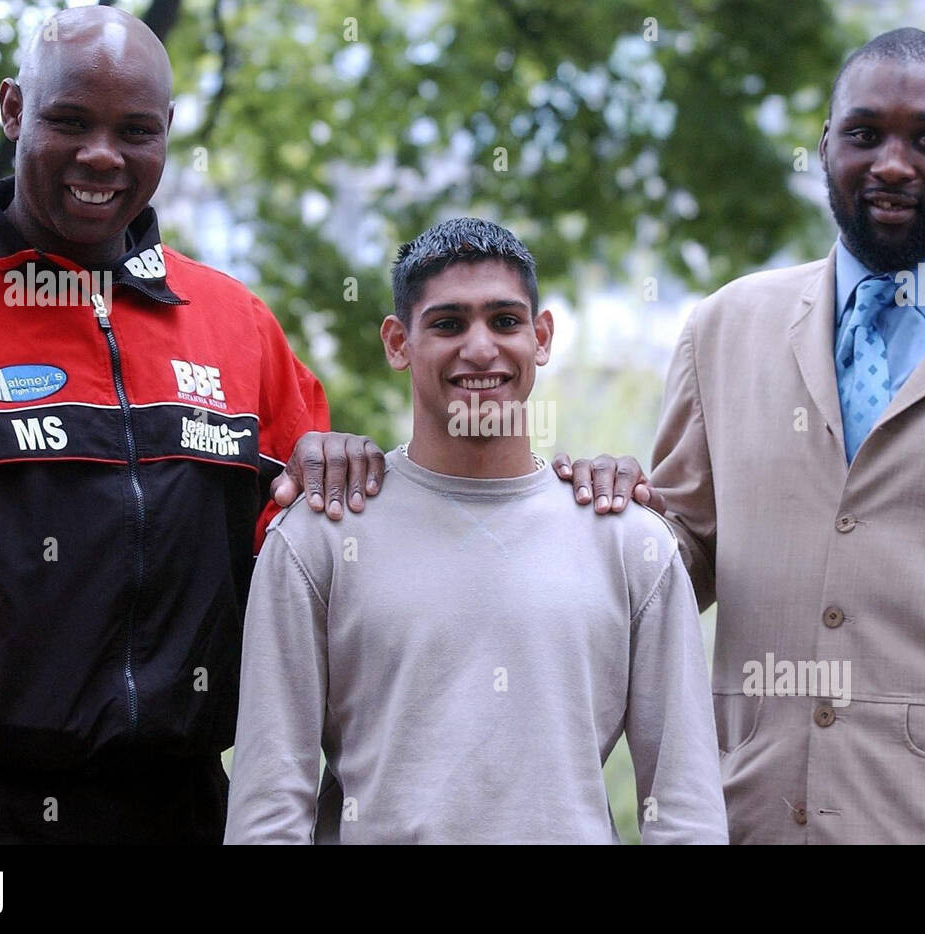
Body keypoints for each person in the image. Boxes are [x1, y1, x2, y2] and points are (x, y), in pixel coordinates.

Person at [572, 27, 925, 843]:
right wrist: (601, 512)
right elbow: (679, 562)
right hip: (754, 823)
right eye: (864, 133)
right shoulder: (725, 330)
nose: (892, 162)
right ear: (824, 146)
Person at [0, 6, 364, 843]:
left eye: (134, 130)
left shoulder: (239, 328)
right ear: (14, 110)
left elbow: (321, 573)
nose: (102, 155)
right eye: (69, 121)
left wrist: (554, 493)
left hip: (182, 812)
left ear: (166, 132)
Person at [225, 218, 727, 844]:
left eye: (506, 321)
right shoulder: (319, 535)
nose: (481, 348)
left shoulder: (629, 541)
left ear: (541, 337)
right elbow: (268, 809)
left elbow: (686, 810)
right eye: (448, 323)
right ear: (397, 341)